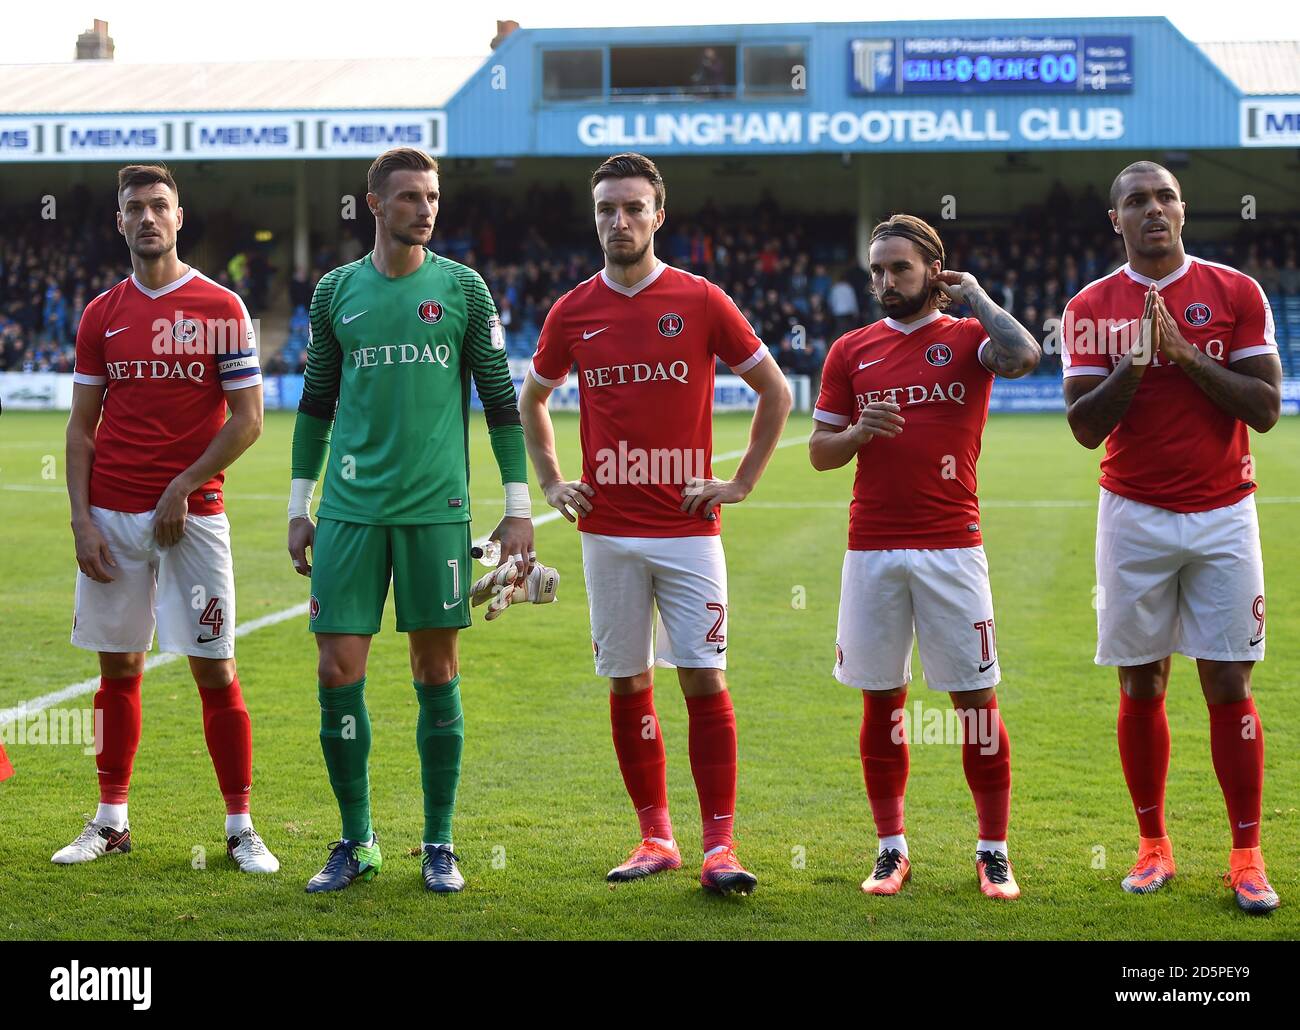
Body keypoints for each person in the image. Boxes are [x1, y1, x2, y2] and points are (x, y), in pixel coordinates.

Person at [519, 152, 791, 895]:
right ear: (595, 216)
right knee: (627, 684)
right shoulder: (573, 309)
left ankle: (721, 848)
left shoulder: (701, 299)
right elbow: (533, 397)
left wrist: (739, 482)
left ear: (658, 214)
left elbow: (774, 391)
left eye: (634, 207)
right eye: (608, 208)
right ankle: (655, 837)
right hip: (606, 533)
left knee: (705, 681)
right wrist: (550, 479)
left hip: (688, 532)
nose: (620, 220)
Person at [287, 147, 533, 894]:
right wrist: (300, 506)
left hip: (436, 513)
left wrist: (518, 509)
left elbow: (499, 399)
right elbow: (316, 405)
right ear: (374, 204)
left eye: (431, 196)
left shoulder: (463, 289)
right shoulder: (336, 292)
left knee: (437, 672)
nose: (425, 208)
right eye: (408, 197)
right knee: (338, 672)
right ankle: (357, 840)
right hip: (352, 512)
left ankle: (439, 843)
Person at [1062, 161, 1283, 914]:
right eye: (1135, 201)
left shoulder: (1235, 292)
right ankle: (1153, 845)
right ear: (1114, 221)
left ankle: (1247, 857)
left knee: (1228, 684)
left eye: (1163, 198)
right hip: (1134, 515)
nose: (1151, 210)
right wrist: (1133, 364)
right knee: (1141, 681)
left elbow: (1265, 408)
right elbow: (1086, 426)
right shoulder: (1090, 305)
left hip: (1225, 513)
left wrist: (1186, 356)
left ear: (1182, 211)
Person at [809, 213, 1041, 900]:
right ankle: (890, 850)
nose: (882, 281)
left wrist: (977, 297)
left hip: (952, 545)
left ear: (933, 273)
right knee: (881, 703)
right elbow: (821, 453)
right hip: (872, 548)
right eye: (876, 270)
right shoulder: (851, 349)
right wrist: (856, 432)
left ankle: (993, 850)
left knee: (975, 703)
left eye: (897, 269)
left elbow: (1026, 355)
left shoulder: (970, 339)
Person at [56, 163, 274, 873]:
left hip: (196, 516)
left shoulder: (221, 308)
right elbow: (82, 428)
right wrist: (81, 521)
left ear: (179, 217)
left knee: (215, 668)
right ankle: (111, 821)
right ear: (119, 222)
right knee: (118, 668)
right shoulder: (101, 314)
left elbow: (248, 422)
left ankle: (241, 828)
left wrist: (183, 485)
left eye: (159, 205)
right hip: (112, 514)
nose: (148, 217)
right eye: (135, 208)